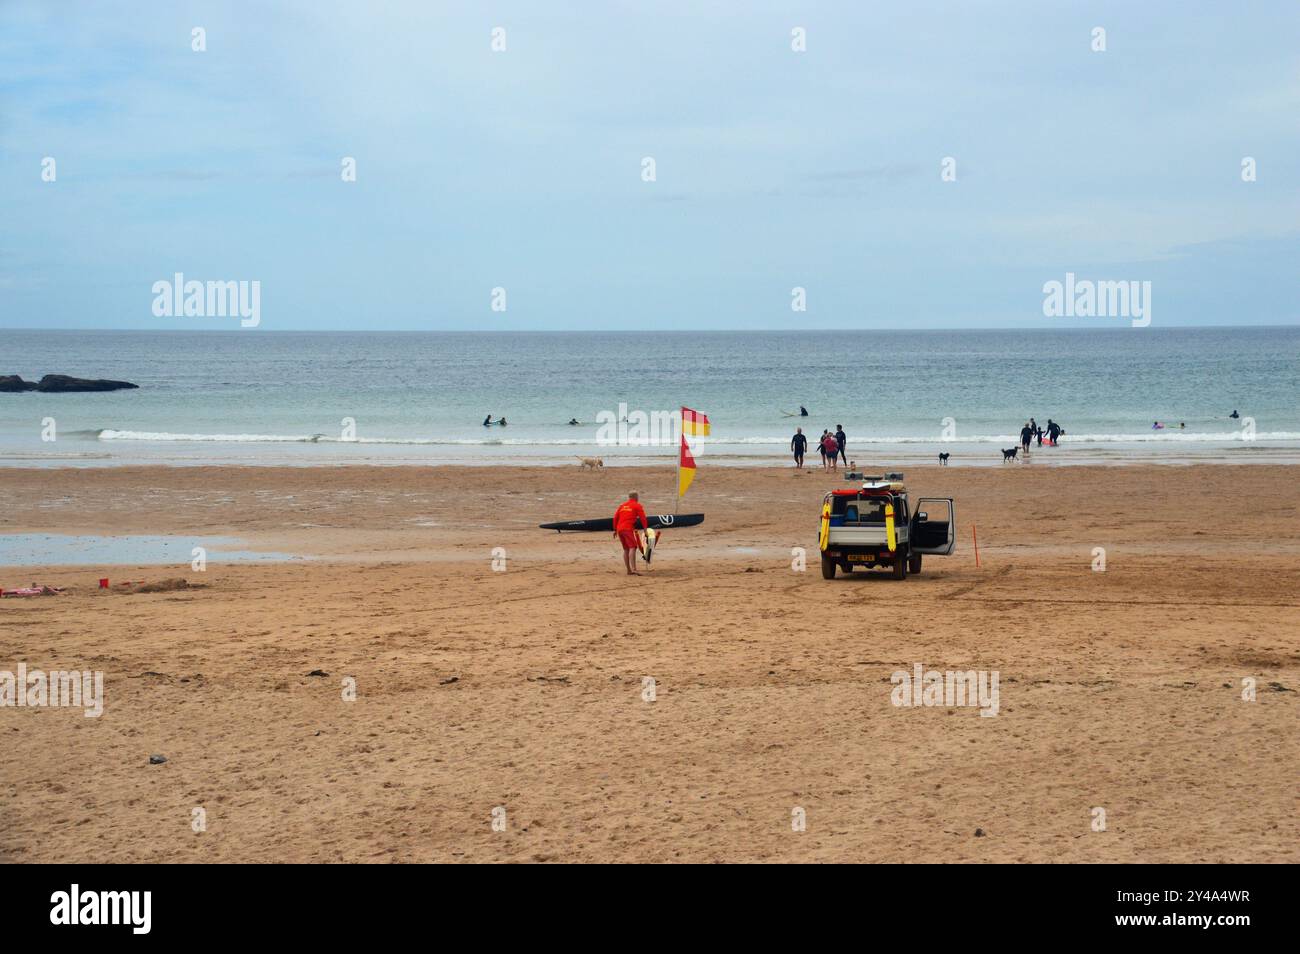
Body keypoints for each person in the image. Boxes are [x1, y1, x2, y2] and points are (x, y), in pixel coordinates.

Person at [612, 491, 649, 576]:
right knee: (633, 547)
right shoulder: (637, 505)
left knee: (626, 549)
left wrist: (614, 530)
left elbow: (615, 518)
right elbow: (643, 518)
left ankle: (629, 570)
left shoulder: (622, 506)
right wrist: (645, 529)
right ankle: (634, 569)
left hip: (619, 529)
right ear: (636, 497)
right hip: (627, 528)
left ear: (629, 497)